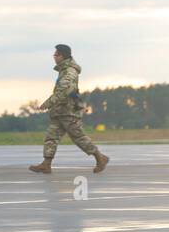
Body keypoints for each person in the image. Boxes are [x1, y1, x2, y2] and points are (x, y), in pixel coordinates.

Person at [29, 44, 109, 175]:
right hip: (60, 112)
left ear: (62, 56)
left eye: (56, 54)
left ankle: (100, 158)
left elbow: (64, 91)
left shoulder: (69, 72)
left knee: (79, 137)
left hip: (68, 112)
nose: (54, 57)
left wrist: (48, 103)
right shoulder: (64, 70)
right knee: (51, 137)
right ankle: (46, 164)